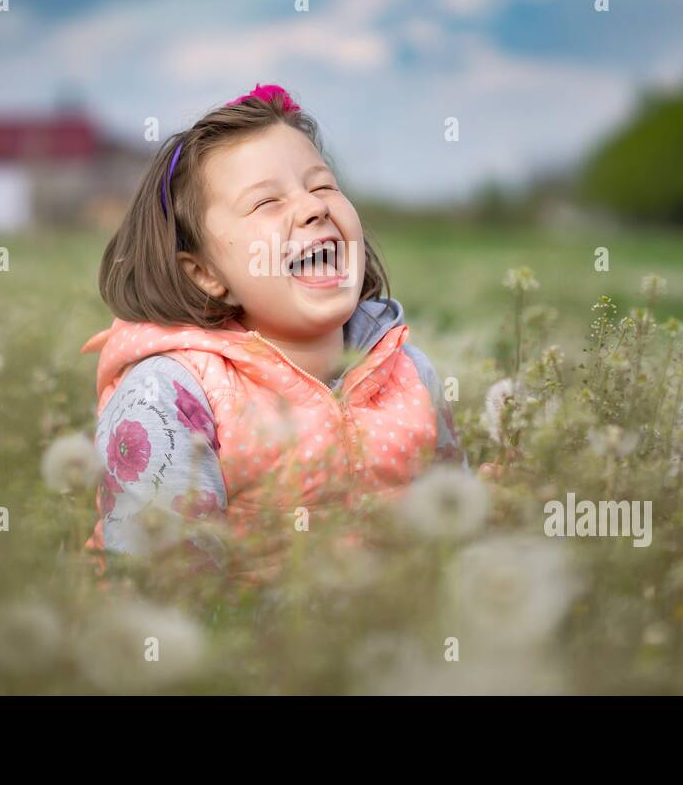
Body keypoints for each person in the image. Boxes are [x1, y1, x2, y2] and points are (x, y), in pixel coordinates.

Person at [81, 83, 466, 583]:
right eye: (266, 202)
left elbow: (455, 532)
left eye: (322, 186)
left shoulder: (409, 371)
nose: (313, 208)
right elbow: (162, 589)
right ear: (205, 274)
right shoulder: (172, 393)